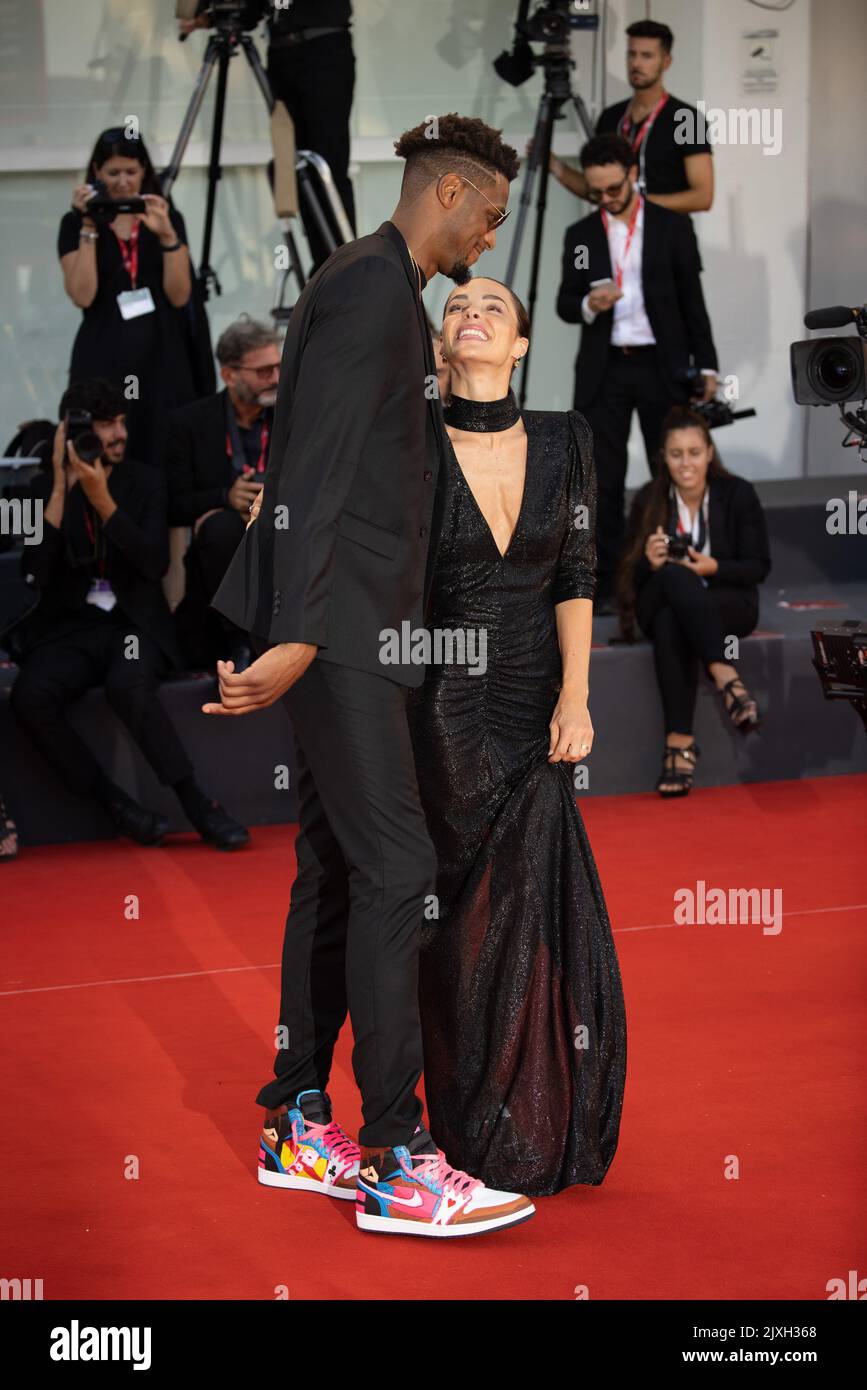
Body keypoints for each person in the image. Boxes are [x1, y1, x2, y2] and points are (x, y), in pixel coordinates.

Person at [204, 115, 538, 1238]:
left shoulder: (379, 286)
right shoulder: (364, 286)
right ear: (450, 189)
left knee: (339, 868)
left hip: (362, 629)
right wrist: (294, 631)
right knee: (398, 867)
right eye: (490, 214)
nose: (492, 240)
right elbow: (310, 469)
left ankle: (299, 1117)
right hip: (340, 631)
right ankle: (399, 1156)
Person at [404, 277, 627, 1197]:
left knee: (534, 905)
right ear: (442, 344)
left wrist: (577, 695)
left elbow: (576, 572)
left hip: (540, 694)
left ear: (522, 345)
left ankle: (537, 1126)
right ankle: (464, 1121)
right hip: (445, 701)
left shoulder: (570, 439)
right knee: (465, 913)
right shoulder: (411, 445)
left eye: (493, 305)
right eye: (458, 307)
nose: (473, 313)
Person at [8, 380, 249, 851]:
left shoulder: (144, 480)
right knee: (28, 696)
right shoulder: (40, 488)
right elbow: (34, 575)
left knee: (128, 685)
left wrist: (103, 499)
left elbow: (152, 562)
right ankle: (115, 804)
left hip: (131, 627)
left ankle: (197, 803)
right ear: (74, 432)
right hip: (70, 631)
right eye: (105, 424)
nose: (119, 433)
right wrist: (60, 489)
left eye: (121, 421)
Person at [556, 133, 719, 612]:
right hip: (605, 369)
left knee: (666, 473)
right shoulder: (582, 235)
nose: (604, 199)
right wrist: (589, 302)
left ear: (632, 174)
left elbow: (694, 301)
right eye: (596, 192)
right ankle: (606, 586)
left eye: (612, 189)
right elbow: (566, 302)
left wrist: (706, 365)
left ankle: (663, 575)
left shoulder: (671, 227)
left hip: (660, 365)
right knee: (600, 479)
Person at [617, 408, 770, 796]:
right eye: (676, 454)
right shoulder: (650, 500)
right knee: (670, 576)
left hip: (725, 602)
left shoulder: (738, 494)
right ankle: (727, 677)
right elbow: (625, 581)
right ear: (663, 458)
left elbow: (758, 566)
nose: (686, 463)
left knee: (673, 621)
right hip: (661, 596)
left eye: (694, 452)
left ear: (709, 452)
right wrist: (648, 565)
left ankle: (679, 745)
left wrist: (712, 567)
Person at [58, 127, 198, 469]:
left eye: (131, 172)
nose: (123, 182)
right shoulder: (74, 223)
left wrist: (167, 235)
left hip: (159, 355)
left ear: (144, 172)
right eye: (113, 173)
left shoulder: (167, 217)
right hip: (103, 354)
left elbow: (180, 296)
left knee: (161, 448)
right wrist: (90, 225)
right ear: (96, 173)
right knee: (102, 446)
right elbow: (82, 294)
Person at [181, 1, 356, 271]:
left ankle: (344, 270)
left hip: (322, 50)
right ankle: (322, 268)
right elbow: (257, 9)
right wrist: (214, 18)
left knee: (326, 166)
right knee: (295, 169)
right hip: (281, 53)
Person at [166, 317, 281, 671]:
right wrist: (224, 497)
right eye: (263, 371)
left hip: (285, 535)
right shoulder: (190, 424)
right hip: (223, 553)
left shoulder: (294, 414)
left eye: (278, 367)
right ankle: (241, 639)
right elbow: (173, 505)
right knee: (220, 529)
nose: (276, 378)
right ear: (229, 375)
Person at [549, 19, 714, 222]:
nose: (636, 63)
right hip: (615, 239)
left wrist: (636, 204)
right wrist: (555, 165)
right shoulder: (611, 117)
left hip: (668, 239)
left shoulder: (689, 120)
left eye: (647, 56)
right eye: (631, 54)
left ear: (666, 62)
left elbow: (703, 197)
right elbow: (596, 189)